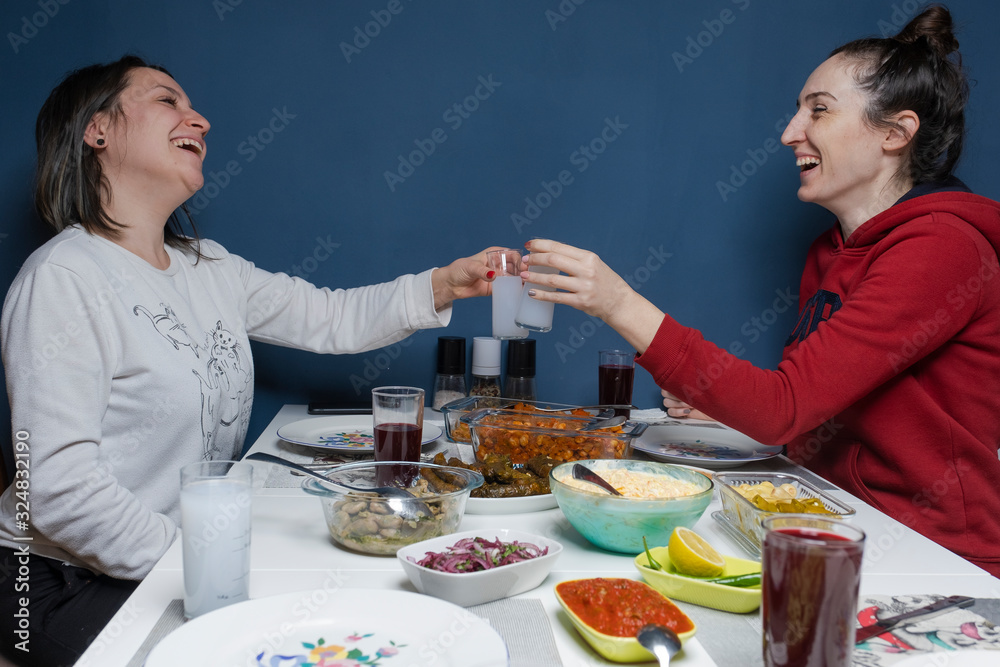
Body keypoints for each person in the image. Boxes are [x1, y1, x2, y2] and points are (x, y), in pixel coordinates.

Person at [0, 55, 496, 666]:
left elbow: (330, 317)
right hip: (54, 578)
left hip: (183, 555)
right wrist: (208, 556)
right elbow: (55, 487)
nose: (199, 120)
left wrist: (446, 283)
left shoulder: (209, 265)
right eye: (167, 101)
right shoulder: (62, 278)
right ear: (96, 130)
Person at [522, 5, 1000, 576]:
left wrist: (618, 303)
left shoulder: (942, 249)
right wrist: (723, 408)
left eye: (818, 111)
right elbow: (806, 409)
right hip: (834, 520)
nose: (789, 133)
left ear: (894, 133)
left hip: (930, 555)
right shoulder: (831, 250)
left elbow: (783, 410)